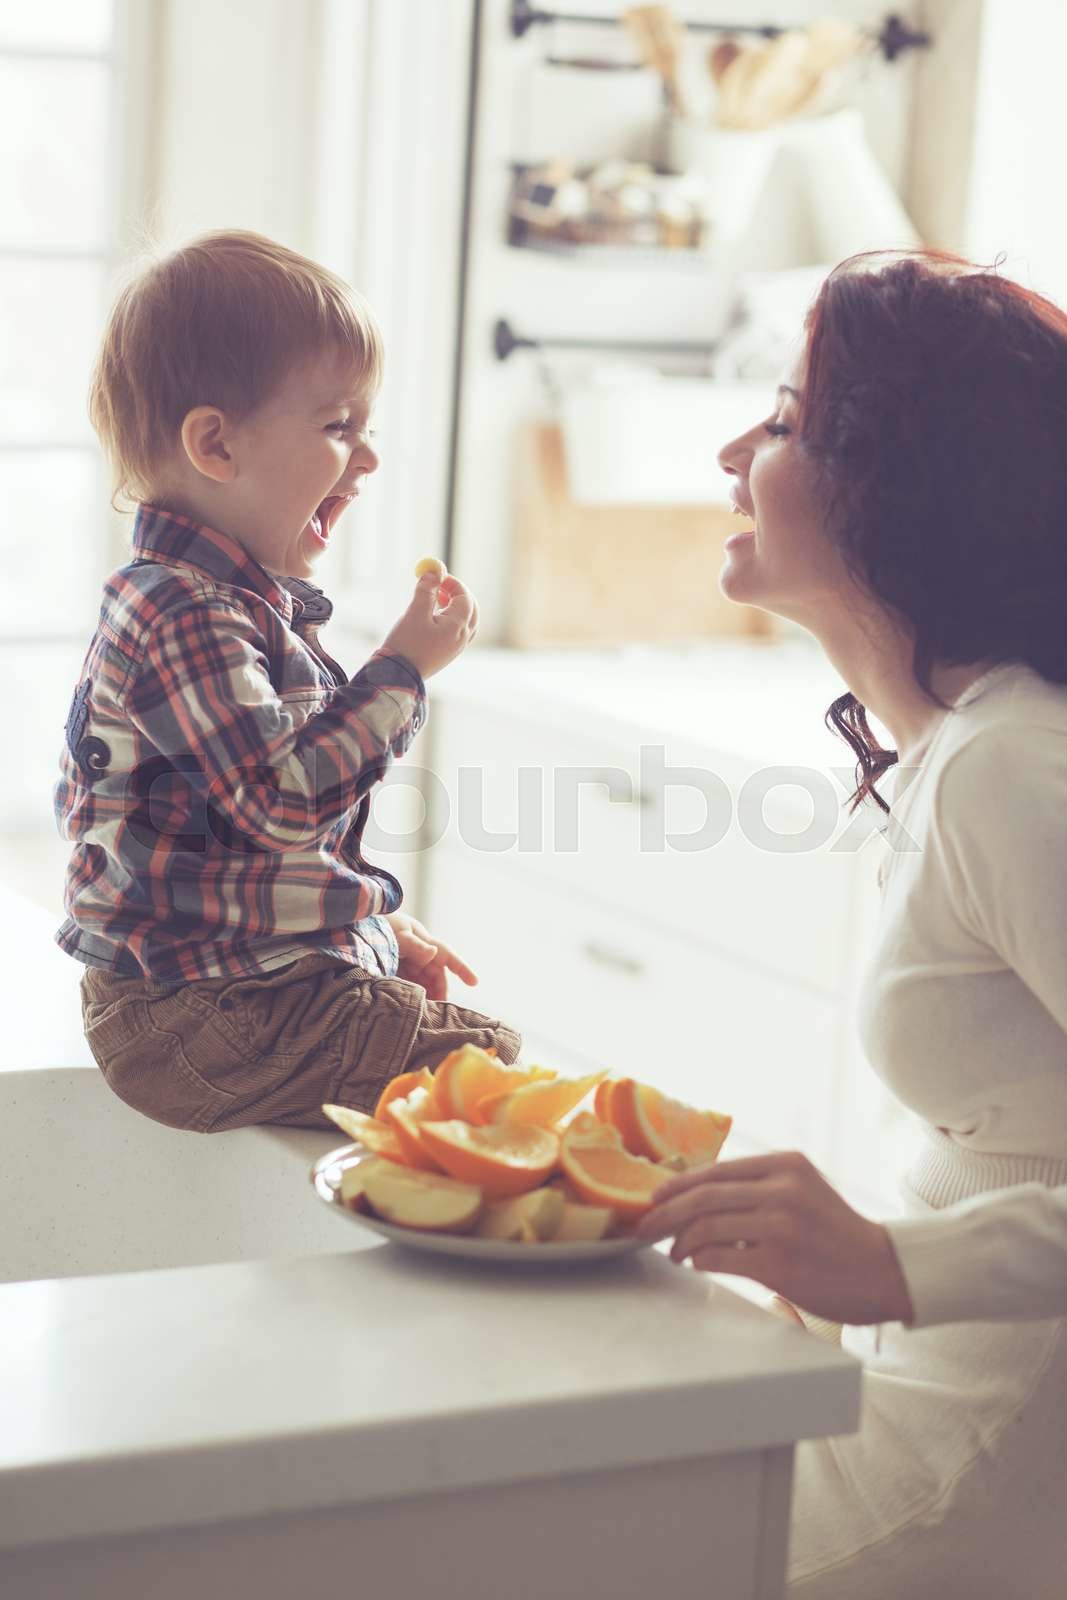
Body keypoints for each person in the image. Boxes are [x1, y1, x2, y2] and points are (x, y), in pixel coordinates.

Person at [638, 249, 1067, 1598]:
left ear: (895, 483)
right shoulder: (955, 748)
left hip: (989, 1447)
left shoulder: (1009, 768)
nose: (728, 448)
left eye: (774, 421)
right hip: (941, 1376)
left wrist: (891, 1264)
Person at [56, 229, 519, 1133]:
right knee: (490, 1073)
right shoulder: (181, 613)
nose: (369, 457)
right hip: (186, 1016)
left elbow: (245, 853)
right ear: (216, 446)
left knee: (472, 1063)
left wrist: (363, 935)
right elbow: (278, 801)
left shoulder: (227, 606)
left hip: (222, 989)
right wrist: (402, 671)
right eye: (340, 426)